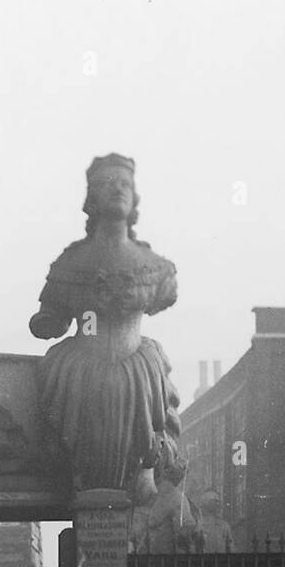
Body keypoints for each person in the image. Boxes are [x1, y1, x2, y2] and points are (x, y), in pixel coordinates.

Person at [29, 154, 181, 500]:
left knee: (153, 385)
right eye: (108, 183)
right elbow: (50, 315)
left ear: (135, 196)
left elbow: (164, 298)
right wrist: (46, 322)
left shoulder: (155, 268)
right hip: (80, 372)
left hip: (139, 373)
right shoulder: (70, 263)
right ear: (91, 197)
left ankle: (143, 471)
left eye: (125, 183)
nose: (118, 190)